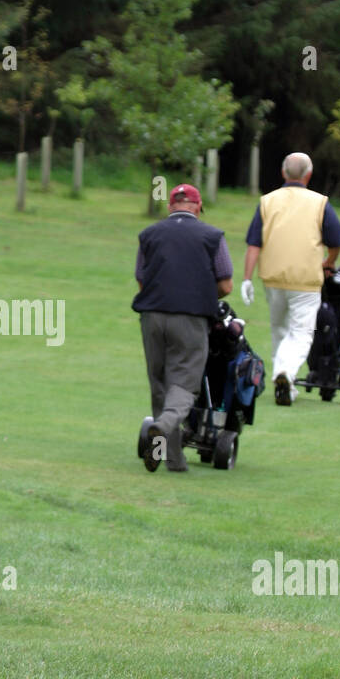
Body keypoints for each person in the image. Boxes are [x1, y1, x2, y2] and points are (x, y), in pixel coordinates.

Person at [133, 183, 233, 472]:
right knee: (185, 383)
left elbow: (141, 278)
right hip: (190, 318)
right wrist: (199, 293)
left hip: (151, 316)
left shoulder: (149, 234)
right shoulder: (212, 236)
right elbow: (225, 284)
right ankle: (162, 426)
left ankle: (172, 460)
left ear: (170, 207)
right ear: (198, 208)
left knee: (160, 385)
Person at [241, 152, 340, 405]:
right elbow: (336, 240)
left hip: (273, 278)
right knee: (302, 333)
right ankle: (284, 374)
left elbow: (254, 244)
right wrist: (329, 262)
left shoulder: (267, 201)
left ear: (284, 173)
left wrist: (246, 278)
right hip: (306, 280)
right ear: (308, 174)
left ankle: (282, 381)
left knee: (280, 329)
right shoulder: (319, 203)